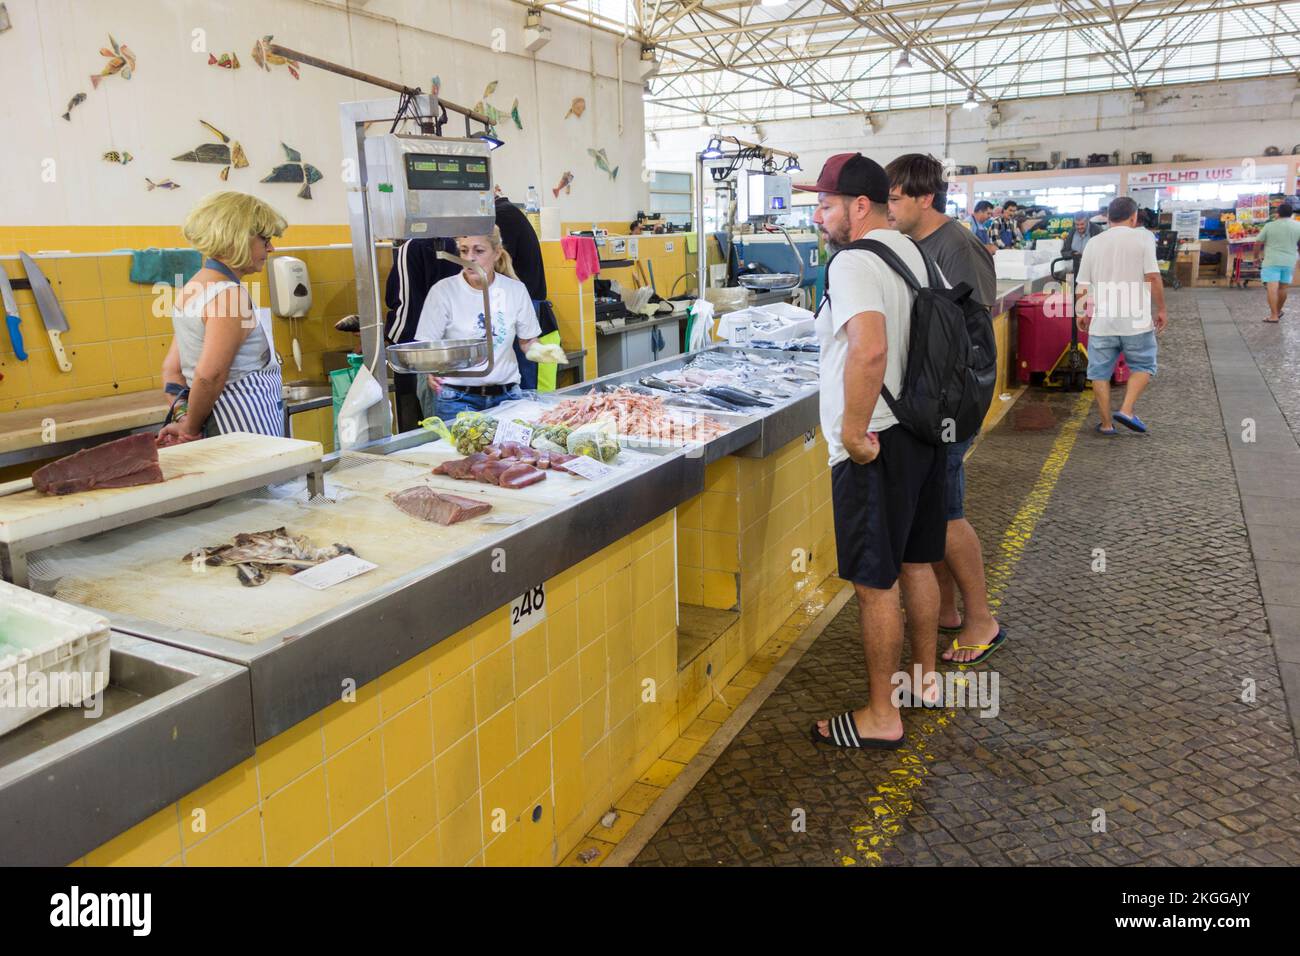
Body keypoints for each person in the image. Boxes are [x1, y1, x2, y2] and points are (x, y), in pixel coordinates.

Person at [799, 153, 948, 748]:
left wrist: (856, 434)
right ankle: (926, 680)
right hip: (920, 431)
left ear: (860, 207)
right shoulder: (915, 252)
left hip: (878, 442)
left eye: (826, 204)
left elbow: (869, 351)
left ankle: (883, 717)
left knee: (873, 583)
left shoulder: (855, 261)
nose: (818, 215)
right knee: (916, 561)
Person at [885, 154, 1007, 668]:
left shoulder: (956, 246)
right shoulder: (915, 244)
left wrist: (946, 403)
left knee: (949, 516)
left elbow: (972, 332)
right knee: (931, 514)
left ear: (925, 197)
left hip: (949, 404)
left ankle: (983, 620)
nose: (888, 209)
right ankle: (950, 609)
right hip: (928, 402)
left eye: (895, 198)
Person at [158, 191, 287, 444]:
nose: (271, 248)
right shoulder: (229, 296)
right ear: (238, 239)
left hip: (223, 433)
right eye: (265, 240)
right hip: (243, 434)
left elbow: (171, 371)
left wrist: (184, 417)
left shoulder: (193, 289)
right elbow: (210, 376)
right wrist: (190, 429)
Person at [414, 228, 542, 419]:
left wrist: (542, 351)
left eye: (479, 251)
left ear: (497, 253)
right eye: (464, 251)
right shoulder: (443, 292)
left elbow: (527, 341)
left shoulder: (515, 290)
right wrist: (429, 370)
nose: (470, 258)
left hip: (507, 398)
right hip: (456, 399)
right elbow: (426, 346)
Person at [1076, 196, 1167, 435]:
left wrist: (1081, 313)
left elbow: (1083, 285)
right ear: (1134, 217)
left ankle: (1106, 425)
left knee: (1098, 373)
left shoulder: (1093, 243)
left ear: (1107, 217)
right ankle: (1126, 409)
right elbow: (1154, 277)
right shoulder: (1143, 239)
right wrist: (1162, 309)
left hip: (1103, 321)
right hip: (1136, 320)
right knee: (1144, 365)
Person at [1257, 202, 1300, 323]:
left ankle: (1274, 315)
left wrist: (1256, 256)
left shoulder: (1270, 226)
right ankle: (1278, 311)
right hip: (1289, 261)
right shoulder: (1298, 226)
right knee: (1283, 288)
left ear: (1278, 213)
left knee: (1272, 288)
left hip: (1272, 260)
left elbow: (1258, 242)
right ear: (1291, 214)